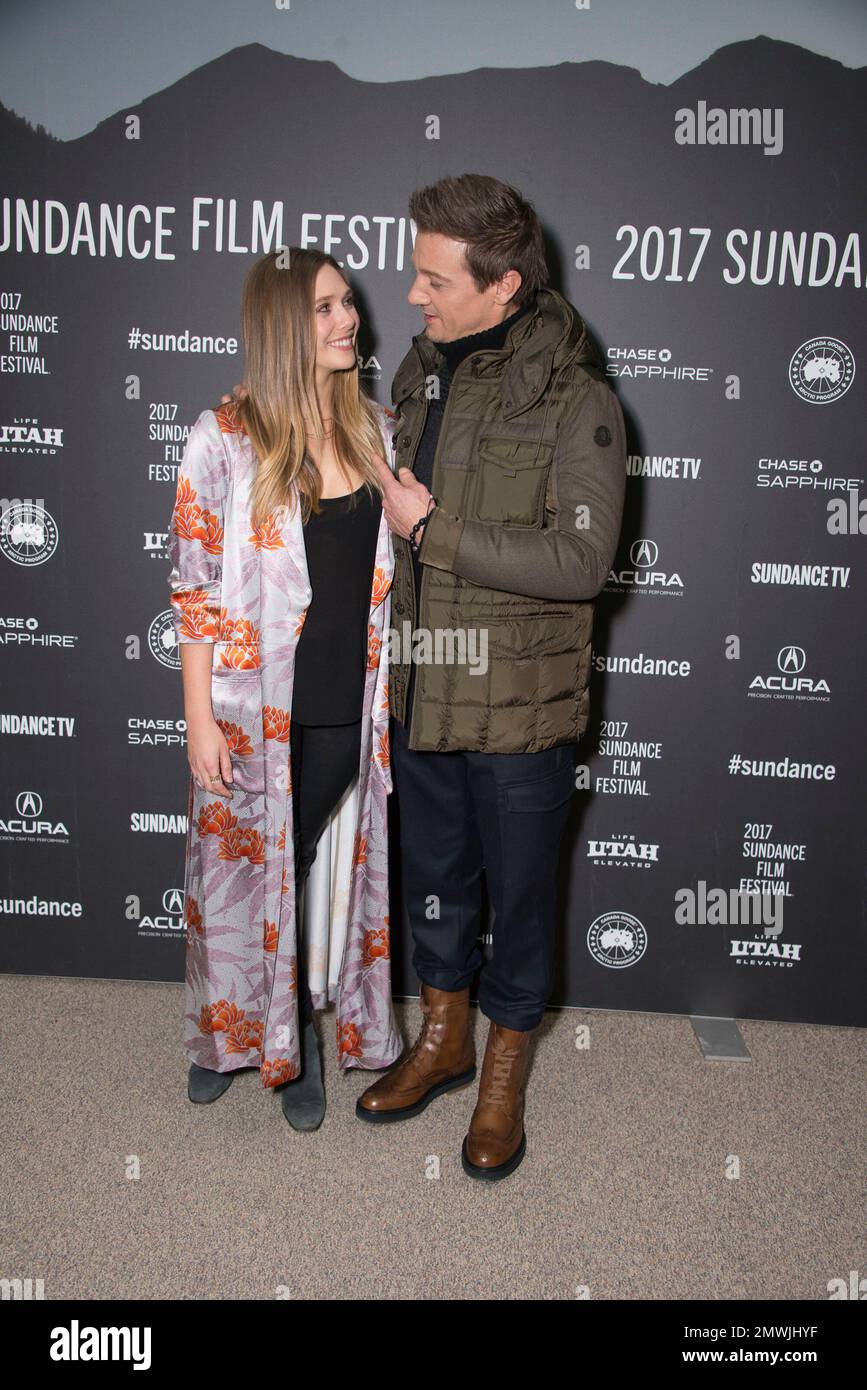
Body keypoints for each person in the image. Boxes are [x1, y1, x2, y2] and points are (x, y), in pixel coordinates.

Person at [356, 174, 627, 1181]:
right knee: (435, 888)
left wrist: (436, 527)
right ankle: (445, 1038)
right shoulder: (425, 378)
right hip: (428, 688)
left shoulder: (580, 399)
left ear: (502, 283)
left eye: (433, 277)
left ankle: (503, 1074)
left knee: (519, 901)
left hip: (520, 711)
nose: (414, 294)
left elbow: (581, 564)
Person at [167, 247, 402, 1133]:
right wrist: (198, 720)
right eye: (325, 308)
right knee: (233, 878)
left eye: (347, 304)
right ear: (279, 326)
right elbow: (192, 595)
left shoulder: (376, 432)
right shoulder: (222, 438)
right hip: (248, 709)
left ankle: (289, 1029)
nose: (349, 321)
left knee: (304, 872)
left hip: (351, 703)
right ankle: (222, 1040)